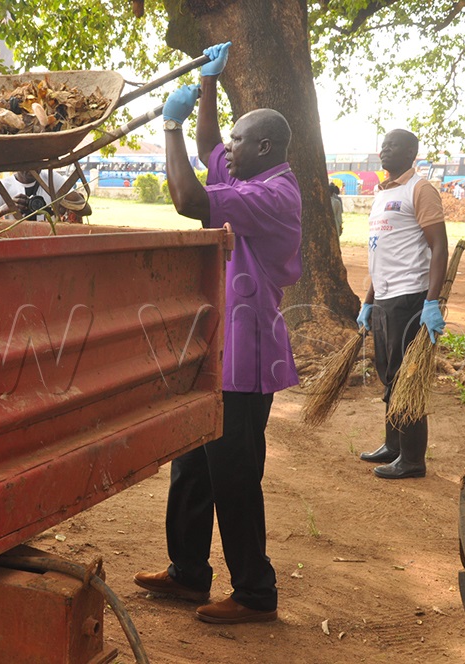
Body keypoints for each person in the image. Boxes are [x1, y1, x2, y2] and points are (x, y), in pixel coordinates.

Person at [133, 41, 302, 625]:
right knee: (192, 465)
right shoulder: (253, 169)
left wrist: (170, 127)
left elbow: (188, 198)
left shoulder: (272, 195)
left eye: (236, 142)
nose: (224, 149)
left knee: (233, 476)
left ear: (263, 148)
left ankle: (256, 593)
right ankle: (187, 574)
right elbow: (212, 148)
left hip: (247, 356)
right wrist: (207, 86)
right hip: (219, 350)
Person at [356, 129, 448, 480]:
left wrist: (431, 302)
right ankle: (393, 445)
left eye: (392, 145)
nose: (384, 150)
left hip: (411, 297)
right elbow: (381, 254)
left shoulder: (419, 189)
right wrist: (368, 301)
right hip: (384, 298)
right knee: (389, 375)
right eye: (382, 144)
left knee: (406, 376)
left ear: (411, 152)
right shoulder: (383, 193)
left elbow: (439, 247)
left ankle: (412, 459)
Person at [0, 170, 86, 221]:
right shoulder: (2, 186)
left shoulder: (52, 179)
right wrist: (6, 208)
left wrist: (65, 204)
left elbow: (86, 210)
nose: (32, 169)